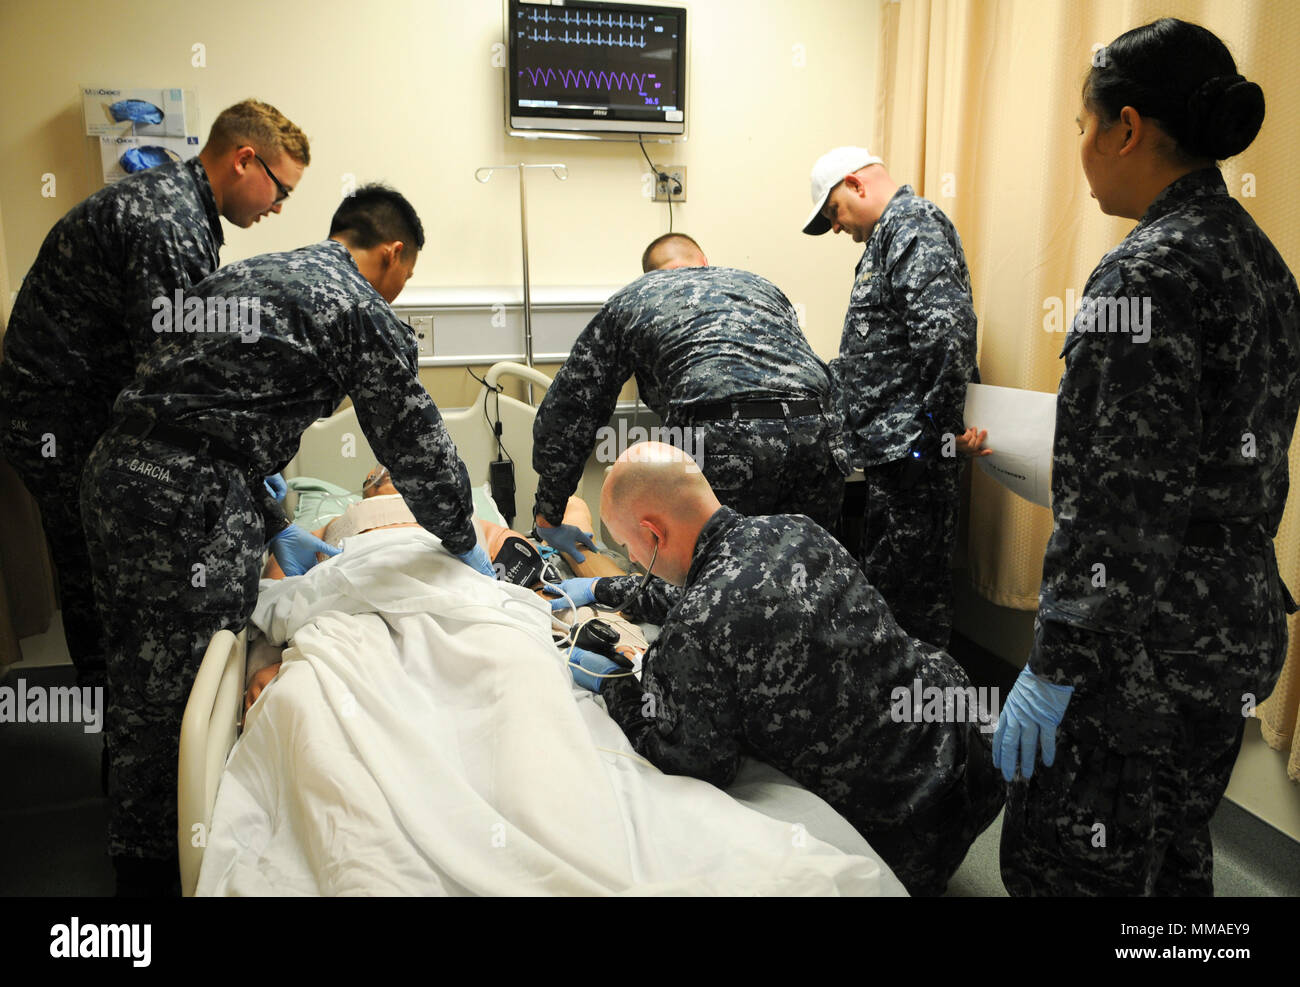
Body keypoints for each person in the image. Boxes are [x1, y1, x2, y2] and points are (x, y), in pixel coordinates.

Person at [80, 184, 493, 895]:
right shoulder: (358, 308)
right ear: (392, 254)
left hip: (117, 472)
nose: (398, 292)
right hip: (185, 502)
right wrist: (466, 541)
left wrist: (274, 523)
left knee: (135, 674)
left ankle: (127, 834)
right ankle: (150, 879)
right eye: (407, 276)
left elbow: (207, 401)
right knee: (182, 697)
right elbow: (419, 448)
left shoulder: (248, 273)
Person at [995, 18, 1300, 897]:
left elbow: (1123, 510)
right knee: (1170, 860)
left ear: (1126, 128)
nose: (1083, 147)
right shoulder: (1258, 259)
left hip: (1136, 661)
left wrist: (1056, 665)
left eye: (1085, 126)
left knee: (1072, 871)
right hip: (1226, 631)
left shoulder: (1145, 275)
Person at [563, 442, 1003, 896]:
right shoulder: (797, 529)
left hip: (903, 845)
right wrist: (604, 587)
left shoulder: (695, 632)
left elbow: (687, 761)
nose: (634, 559)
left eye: (628, 546)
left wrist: (616, 686)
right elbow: (726, 595)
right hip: (968, 769)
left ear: (653, 534)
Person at [0, 99, 311, 693]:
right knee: (106, 581)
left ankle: (121, 721)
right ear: (245, 160)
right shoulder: (166, 223)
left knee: (109, 575)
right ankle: (121, 733)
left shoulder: (179, 206)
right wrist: (263, 500)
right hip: (61, 424)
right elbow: (177, 382)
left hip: (81, 408)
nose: (277, 207)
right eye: (281, 191)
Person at [532, 235, 850, 560]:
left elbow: (571, 410)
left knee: (716, 573)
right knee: (810, 567)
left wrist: (549, 514)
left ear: (651, 274)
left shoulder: (634, 297)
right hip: (818, 432)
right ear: (703, 261)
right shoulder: (760, 286)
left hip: (723, 435)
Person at [803, 147, 979, 649]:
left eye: (833, 211)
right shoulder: (887, 237)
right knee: (893, 595)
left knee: (912, 606)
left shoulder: (912, 223)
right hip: (897, 457)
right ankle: (901, 715)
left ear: (856, 184)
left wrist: (930, 445)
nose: (835, 227)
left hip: (913, 458)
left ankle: (928, 719)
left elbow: (947, 336)